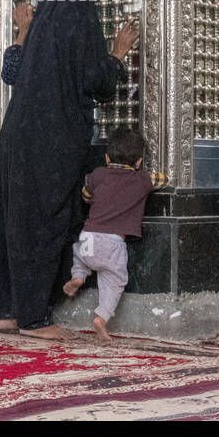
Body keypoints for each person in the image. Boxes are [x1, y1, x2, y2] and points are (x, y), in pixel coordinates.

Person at [0, 0, 140, 340]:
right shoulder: (79, 21)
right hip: (54, 143)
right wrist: (117, 53)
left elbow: (10, 71)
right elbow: (97, 81)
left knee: (17, 221)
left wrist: (23, 30)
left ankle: (10, 311)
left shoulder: (37, 30)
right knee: (44, 225)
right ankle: (34, 319)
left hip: (16, 138)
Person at [62, 126, 154, 341]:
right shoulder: (140, 180)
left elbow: (85, 195)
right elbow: (162, 179)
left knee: (82, 259)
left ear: (106, 157)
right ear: (139, 162)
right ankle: (101, 317)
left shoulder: (97, 174)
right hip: (111, 244)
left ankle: (78, 276)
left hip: (87, 237)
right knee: (114, 279)